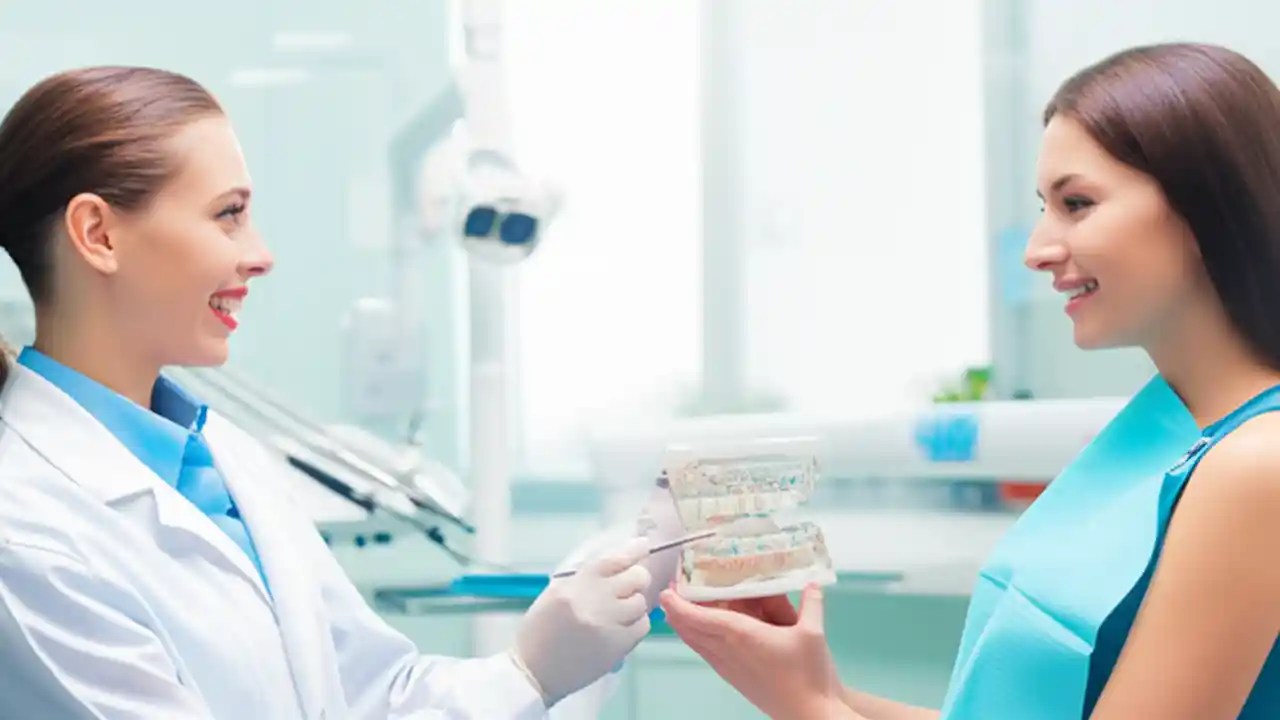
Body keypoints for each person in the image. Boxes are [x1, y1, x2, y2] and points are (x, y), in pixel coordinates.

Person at [0, 66, 661, 720]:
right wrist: (526, 676)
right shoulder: (25, 532)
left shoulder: (228, 460)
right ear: (98, 234)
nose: (261, 254)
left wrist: (534, 668)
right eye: (228, 215)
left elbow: (375, 694)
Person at [659, 42, 1280, 720]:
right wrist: (818, 690)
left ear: (1204, 200)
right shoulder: (1172, 433)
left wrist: (807, 708)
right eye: (1045, 206)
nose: (1038, 250)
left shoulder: (1256, 464)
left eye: (1077, 203)